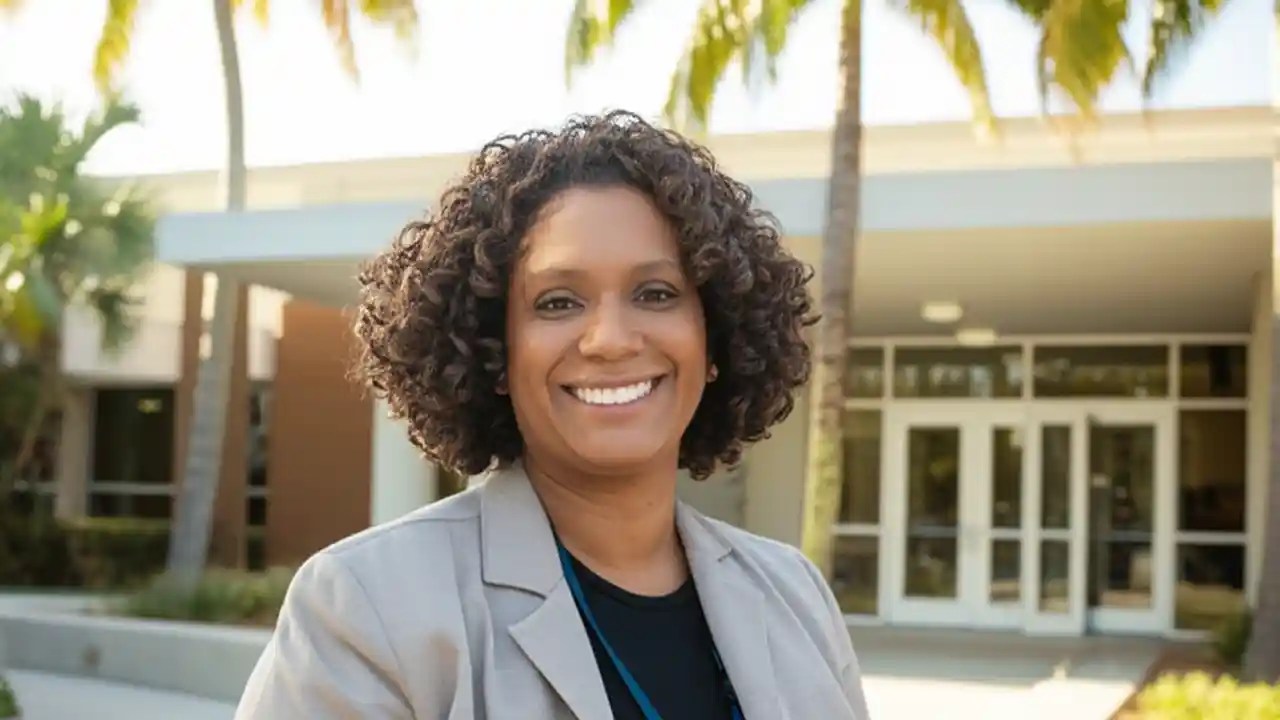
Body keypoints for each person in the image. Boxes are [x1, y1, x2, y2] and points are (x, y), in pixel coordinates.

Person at [233, 110, 871, 720]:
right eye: (559, 302)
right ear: (495, 353)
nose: (611, 339)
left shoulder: (794, 595)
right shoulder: (370, 604)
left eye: (657, 294)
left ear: (715, 341)